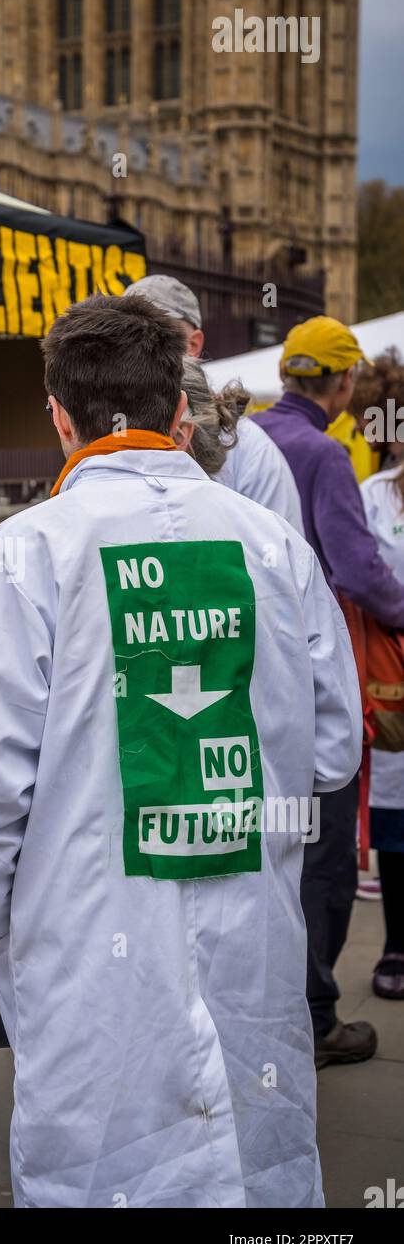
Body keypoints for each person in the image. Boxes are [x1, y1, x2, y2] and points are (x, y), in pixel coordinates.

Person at [0, 293, 362, 1208]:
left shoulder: (25, 554)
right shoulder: (273, 546)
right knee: (258, 1179)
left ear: (56, 414)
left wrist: (6, 937)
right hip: (252, 939)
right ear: (175, 412)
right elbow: (332, 751)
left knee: (106, 1174)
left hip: (85, 952)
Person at [252, 317, 404, 1063]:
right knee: (326, 855)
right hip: (310, 674)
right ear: (343, 385)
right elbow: (354, 569)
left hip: (235, 679)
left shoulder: (246, 436)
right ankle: (312, 1018)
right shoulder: (322, 453)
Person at [122, 274, 304, 531]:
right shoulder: (110, 426)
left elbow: (284, 555)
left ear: (193, 345)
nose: (137, 349)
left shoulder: (249, 447)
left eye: (155, 336)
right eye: (126, 336)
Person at [360, 460, 404, 998]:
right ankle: (397, 942)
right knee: (395, 815)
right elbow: (358, 574)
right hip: (392, 675)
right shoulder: (372, 496)